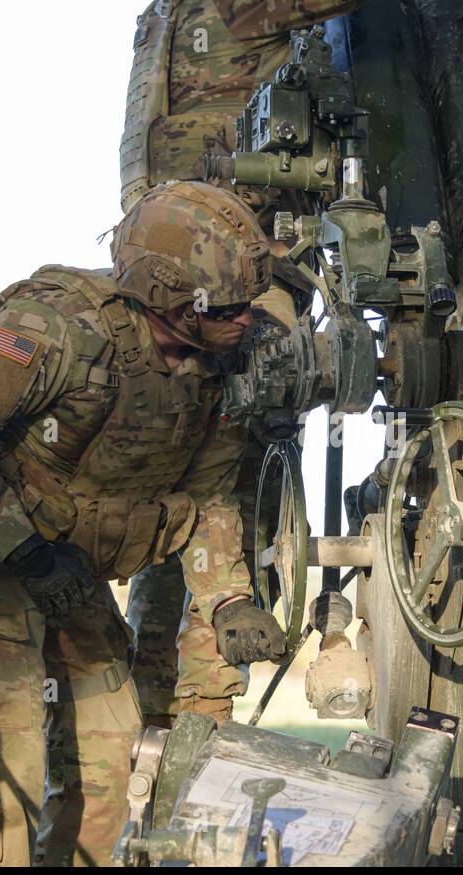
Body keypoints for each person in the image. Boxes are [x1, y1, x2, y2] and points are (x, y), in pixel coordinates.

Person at [0, 179, 286, 866]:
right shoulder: (55, 329)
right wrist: (27, 554)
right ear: (169, 295)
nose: (248, 321)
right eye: (230, 308)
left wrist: (229, 599)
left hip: (64, 562)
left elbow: (209, 495)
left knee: (110, 746)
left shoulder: (220, 369)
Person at [120, 0, 363, 726]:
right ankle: (151, 703)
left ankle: (204, 710)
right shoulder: (162, 15)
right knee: (162, 488)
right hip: (161, 279)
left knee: (230, 484)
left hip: (248, 282)